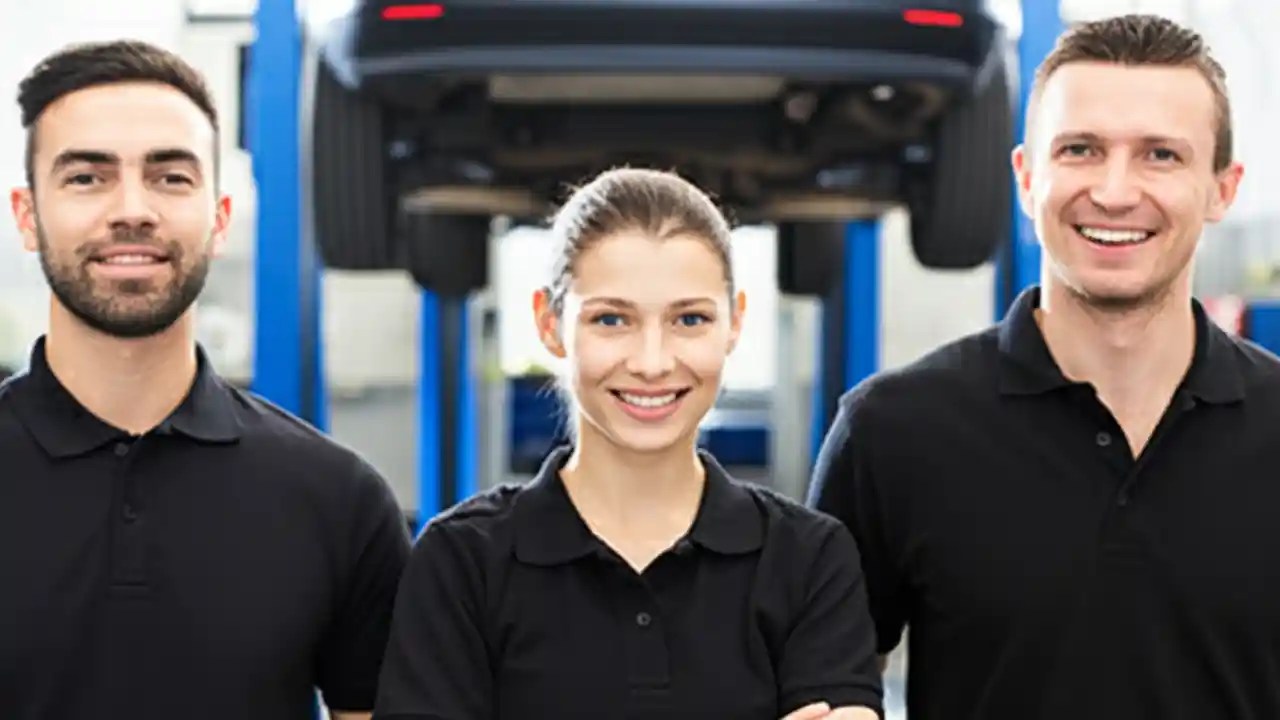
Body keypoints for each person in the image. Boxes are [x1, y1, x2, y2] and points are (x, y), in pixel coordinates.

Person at [806, 12, 1280, 720]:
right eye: (1081, 149)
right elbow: (820, 689)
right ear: (1027, 177)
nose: (1115, 192)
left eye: (1161, 155)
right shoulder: (892, 433)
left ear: (1222, 189)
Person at [373, 167, 883, 720]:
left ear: (734, 323)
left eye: (690, 319)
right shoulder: (462, 561)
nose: (652, 362)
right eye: (612, 319)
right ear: (549, 323)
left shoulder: (808, 559)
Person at [1, 40, 410, 719]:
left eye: (170, 177)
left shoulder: (338, 500)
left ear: (218, 220)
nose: (132, 210)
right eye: (87, 178)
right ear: (27, 217)